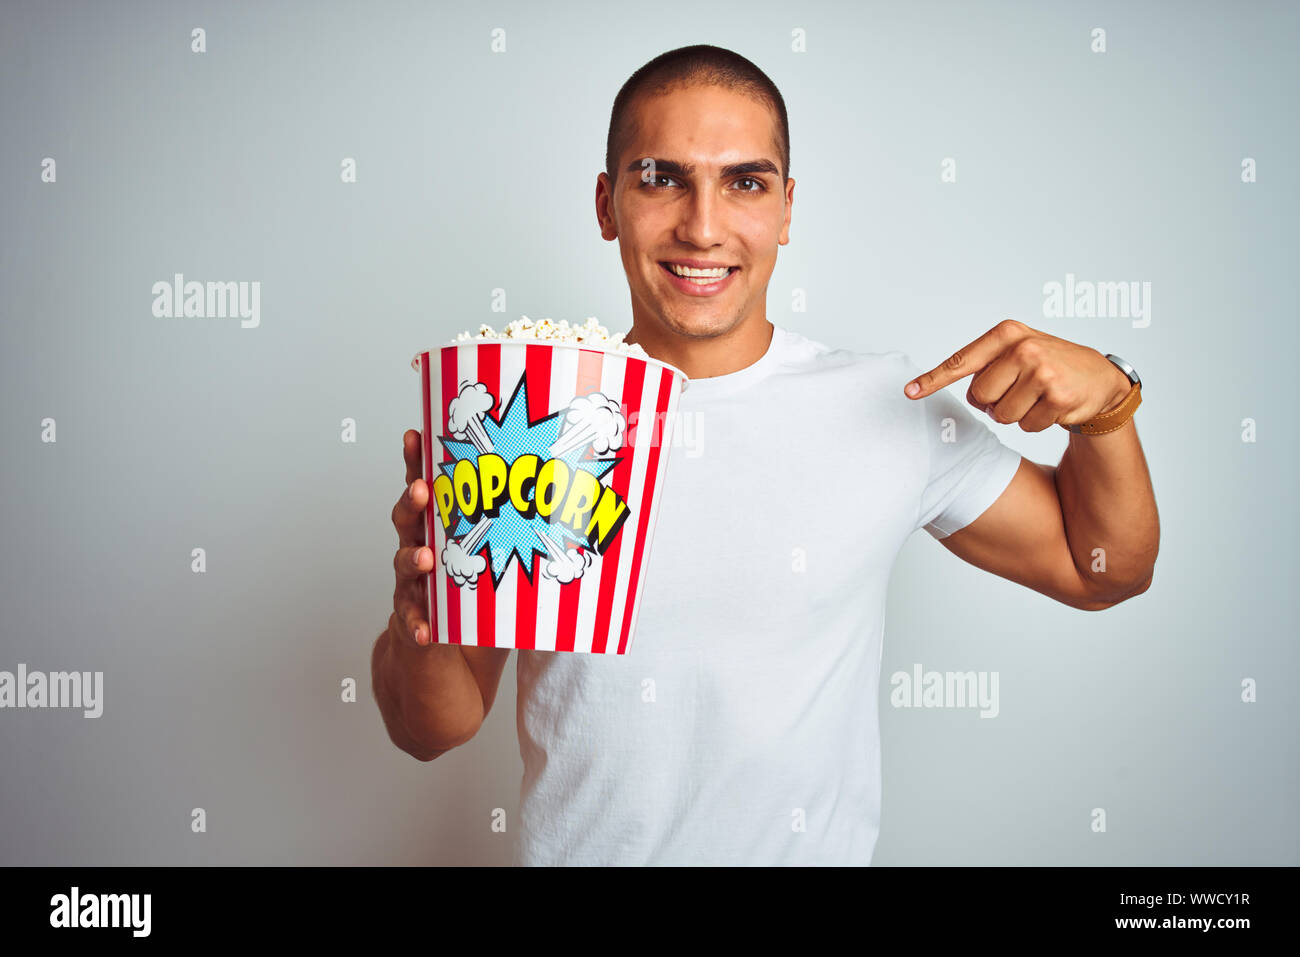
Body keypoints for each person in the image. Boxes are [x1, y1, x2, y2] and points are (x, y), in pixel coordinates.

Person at [371, 44, 1160, 865]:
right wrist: (416, 623)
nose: (703, 226)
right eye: (660, 177)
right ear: (607, 204)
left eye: (744, 182)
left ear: (786, 207)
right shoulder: (531, 412)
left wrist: (1109, 407)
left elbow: (1102, 568)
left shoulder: (890, 406)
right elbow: (433, 729)